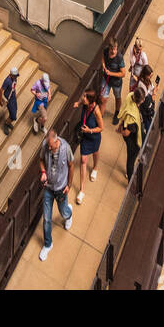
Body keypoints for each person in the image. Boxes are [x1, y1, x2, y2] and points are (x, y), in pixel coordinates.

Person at [38, 125, 74, 261]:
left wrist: (69, 185)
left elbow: (71, 167)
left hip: (61, 188)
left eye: (51, 146)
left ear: (56, 140)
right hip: (48, 188)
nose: (48, 148)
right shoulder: (45, 145)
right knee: (47, 218)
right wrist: (43, 172)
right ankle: (48, 244)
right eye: (47, 144)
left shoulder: (66, 149)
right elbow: (41, 160)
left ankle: (69, 214)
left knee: (63, 212)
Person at [73, 89, 103, 203]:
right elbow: (81, 101)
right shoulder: (85, 104)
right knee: (83, 159)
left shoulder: (96, 111)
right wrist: (78, 103)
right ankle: (82, 190)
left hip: (93, 137)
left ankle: (95, 168)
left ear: (90, 101)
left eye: (85, 97)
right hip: (85, 137)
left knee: (95, 153)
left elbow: (101, 128)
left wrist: (90, 130)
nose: (82, 98)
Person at [117, 86, 144, 180]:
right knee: (131, 161)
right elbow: (126, 133)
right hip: (133, 141)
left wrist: (121, 125)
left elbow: (124, 112)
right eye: (142, 100)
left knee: (131, 159)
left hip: (127, 131)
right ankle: (130, 179)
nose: (143, 101)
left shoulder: (130, 96)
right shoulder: (132, 118)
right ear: (137, 100)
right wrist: (120, 131)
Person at [100, 39, 125, 123]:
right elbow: (103, 58)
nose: (114, 51)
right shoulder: (106, 51)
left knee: (117, 97)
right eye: (112, 49)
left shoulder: (119, 57)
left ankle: (117, 113)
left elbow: (123, 74)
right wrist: (103, 65)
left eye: (115, 49)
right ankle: (100, 117)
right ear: (109, 48)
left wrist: (111, 73)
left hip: (116, 82)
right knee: (103, 99)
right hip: (106, 80)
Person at [0, 65, 19, 135]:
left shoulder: (15, 78)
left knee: (15, 110)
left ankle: (9, 122)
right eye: (15, 76)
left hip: (13, 97)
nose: (16, 77)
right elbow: (1, 90)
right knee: (13, 116)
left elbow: (13, 86)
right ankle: (6, 124)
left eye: (16, 75)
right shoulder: (7, 81)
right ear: (11, 74)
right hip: (9, 99)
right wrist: (1, 100)